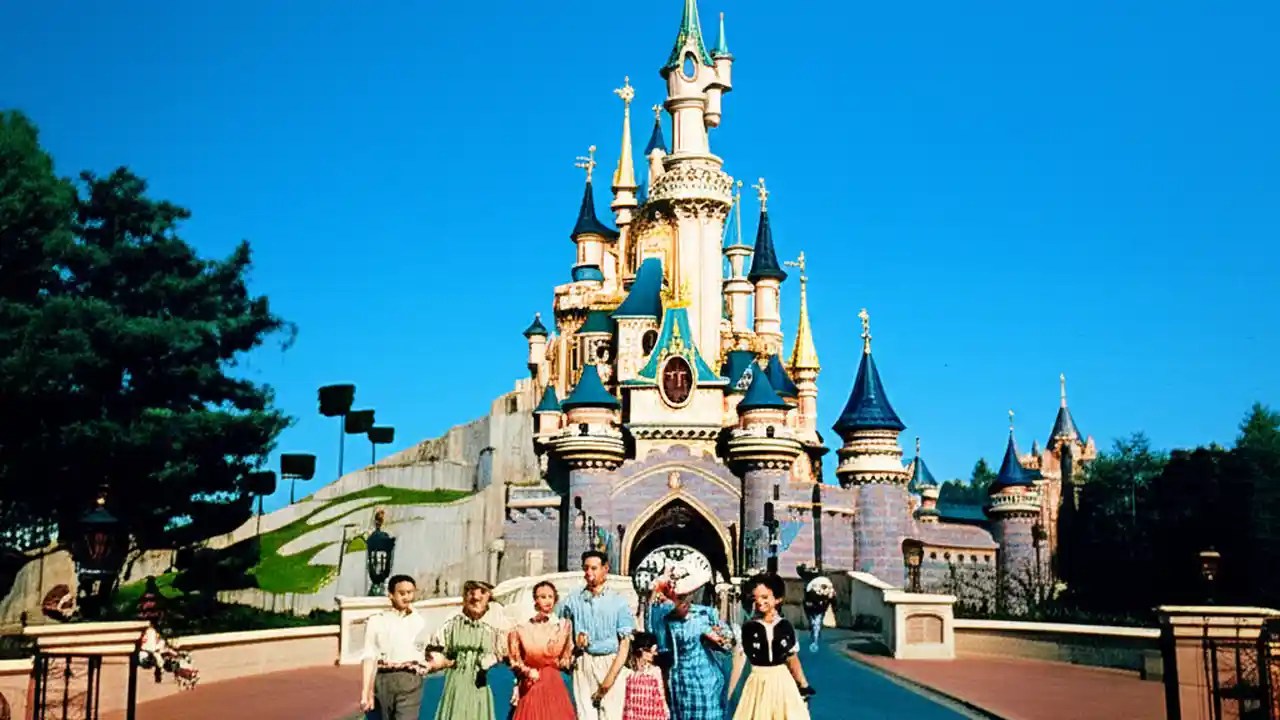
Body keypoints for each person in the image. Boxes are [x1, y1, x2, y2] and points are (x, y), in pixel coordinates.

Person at [647, 566, 733, 720]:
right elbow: (654, 628)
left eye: (686, 596)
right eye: (679, 598)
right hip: (680, 686)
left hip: (707, 684)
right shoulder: (664, 619)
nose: (685, 601)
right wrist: (660, 587)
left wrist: (717, 637)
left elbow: (728, 644)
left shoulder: (705, 614)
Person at [727, 573, 815, 720]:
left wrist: (803, 684)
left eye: (765, 597)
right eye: (756, 598)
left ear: (778, 599)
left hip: (782, 682)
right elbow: (740, 660)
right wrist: (730, 693)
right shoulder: (749, 628)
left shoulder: (785, 626)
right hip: (757, 683)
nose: (760, 602)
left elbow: (792, 658)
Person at [558, 550, 633, 720]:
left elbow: (625, 644)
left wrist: (609, 680)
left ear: (605, 569)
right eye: (586, 569)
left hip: (610, 660)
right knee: (585, 715)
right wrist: (572, 644)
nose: (589, 573)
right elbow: (561, 626)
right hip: (584, 661)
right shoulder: (573, 599)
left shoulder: (618, 601)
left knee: (611, 715)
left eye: (594, 568)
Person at [426, 579, 505, 720]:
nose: (476, 597)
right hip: (456, 679)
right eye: (471, 592)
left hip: (481, 681)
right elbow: (436, 648)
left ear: (489, 597)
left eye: (482, 592)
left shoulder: (496, 623)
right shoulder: (452, 621)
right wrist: (440, 661)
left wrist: (491, 660)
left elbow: (503, 652)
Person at [360, 574, 428, 720]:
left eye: (410, 592)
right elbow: (369, 656)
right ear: (391, 595)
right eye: (402, 593)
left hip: (410, 679)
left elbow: (427, 648)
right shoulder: (377, 621)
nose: (407, 597)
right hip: (384, 679)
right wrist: (366, 692)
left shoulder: (420, 620)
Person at [508, 580, 575, 719]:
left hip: (553, 681)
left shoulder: (562, 627)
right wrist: (526, 672)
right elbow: (515, 659)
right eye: (543, 597)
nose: (547, 601)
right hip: (531, 681)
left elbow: (566, 658)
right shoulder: (523, 628)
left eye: (550, 597)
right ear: (535, 600)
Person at [621, 631, 669, 720]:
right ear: (642, 651)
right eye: (653, 651)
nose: (656, 654)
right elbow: (661, 696)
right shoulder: (653, 671)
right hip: (648, 714)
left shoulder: (629, 674)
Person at [802, 576, 836, 652]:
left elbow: (832, 601)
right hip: (812, 608)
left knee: (817, 622)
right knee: (814, 622)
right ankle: (814, 634)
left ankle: (816, 637)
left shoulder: (829, 591)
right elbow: (807, 603)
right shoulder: (811, 591)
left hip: (820, 608)